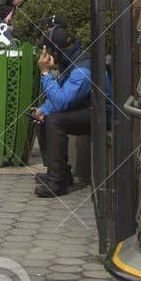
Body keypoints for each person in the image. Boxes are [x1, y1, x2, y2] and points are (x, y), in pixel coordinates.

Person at [30, 25, 92, 197]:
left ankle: (57, 183)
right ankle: (58, 172)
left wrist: (45, 73)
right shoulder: (72, 60)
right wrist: (42, 110)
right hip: (83, 109)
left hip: (100, 115)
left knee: (55, 121)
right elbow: (62, 94)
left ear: (55, 52)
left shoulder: (82, 69)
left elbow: (62, 102)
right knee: (42, 116)